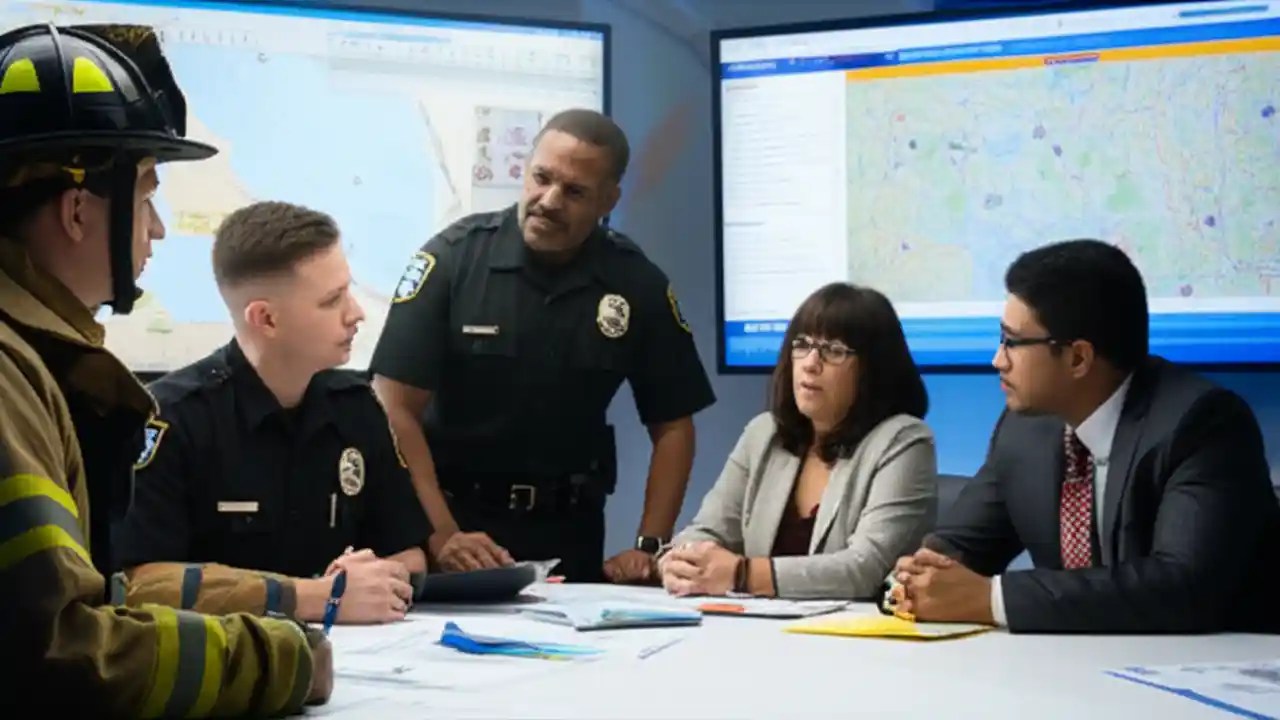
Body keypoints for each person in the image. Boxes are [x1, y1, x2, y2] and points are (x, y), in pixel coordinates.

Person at [0, 23, 329, 714]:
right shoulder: (7, 376)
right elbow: (57, 653)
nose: (155, 227)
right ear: (77, 211)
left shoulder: (31, 361)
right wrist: (280, 657)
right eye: (146, 193)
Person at [370, 109, 716, 583]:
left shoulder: (636, 283)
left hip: (569, 532)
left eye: (574, 192)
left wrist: (650, 545)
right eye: (541, 178)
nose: (549, 200)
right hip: (454, 527)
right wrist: (442, 535)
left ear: (608, 200)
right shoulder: (453, 260)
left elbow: (674, 423)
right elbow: (394, 405)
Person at [890, 239, 1280, 634]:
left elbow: (1185, 586)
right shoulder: (1023, 429)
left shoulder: (1201, 423)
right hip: (1079, 672)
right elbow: (957, 550)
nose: (997, 360)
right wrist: (918, 580)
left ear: (1079, 357)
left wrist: (990, 599)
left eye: (1013, 342)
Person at [115, 200, 430, 624]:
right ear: (266, 319)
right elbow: (138, 582)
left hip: (362, 660)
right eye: (332, 300)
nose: (355, 313)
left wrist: (373, 579)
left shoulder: (356, 407)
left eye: (349, 291)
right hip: (225, 665)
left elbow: (409, 553)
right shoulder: (171, 419)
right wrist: (311, 596)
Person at [659, 283, 936, 600]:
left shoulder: (903, 442)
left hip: (856, 641)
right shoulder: (764, 434)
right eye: (801, 345)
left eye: (833, 351)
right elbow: (709, 530)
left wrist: (742, 574)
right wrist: (680, 560)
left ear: (873, 369)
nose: (810, 363)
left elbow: (865, 570)